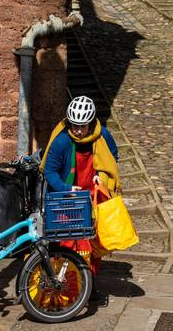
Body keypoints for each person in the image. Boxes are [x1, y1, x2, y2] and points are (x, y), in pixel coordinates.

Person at [41, 95, 119, 282]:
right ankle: (69, 285)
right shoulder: (61, 142)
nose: (77, 131)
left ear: (91, 124)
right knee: (68, 244)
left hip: (92, 197)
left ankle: (88, 283)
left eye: (82, 126)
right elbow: (50, 172)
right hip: (66, 200)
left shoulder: (103, 136)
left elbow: (112, 158)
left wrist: (101, 178)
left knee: (92, 244)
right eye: (74, 126)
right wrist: (66, 188)